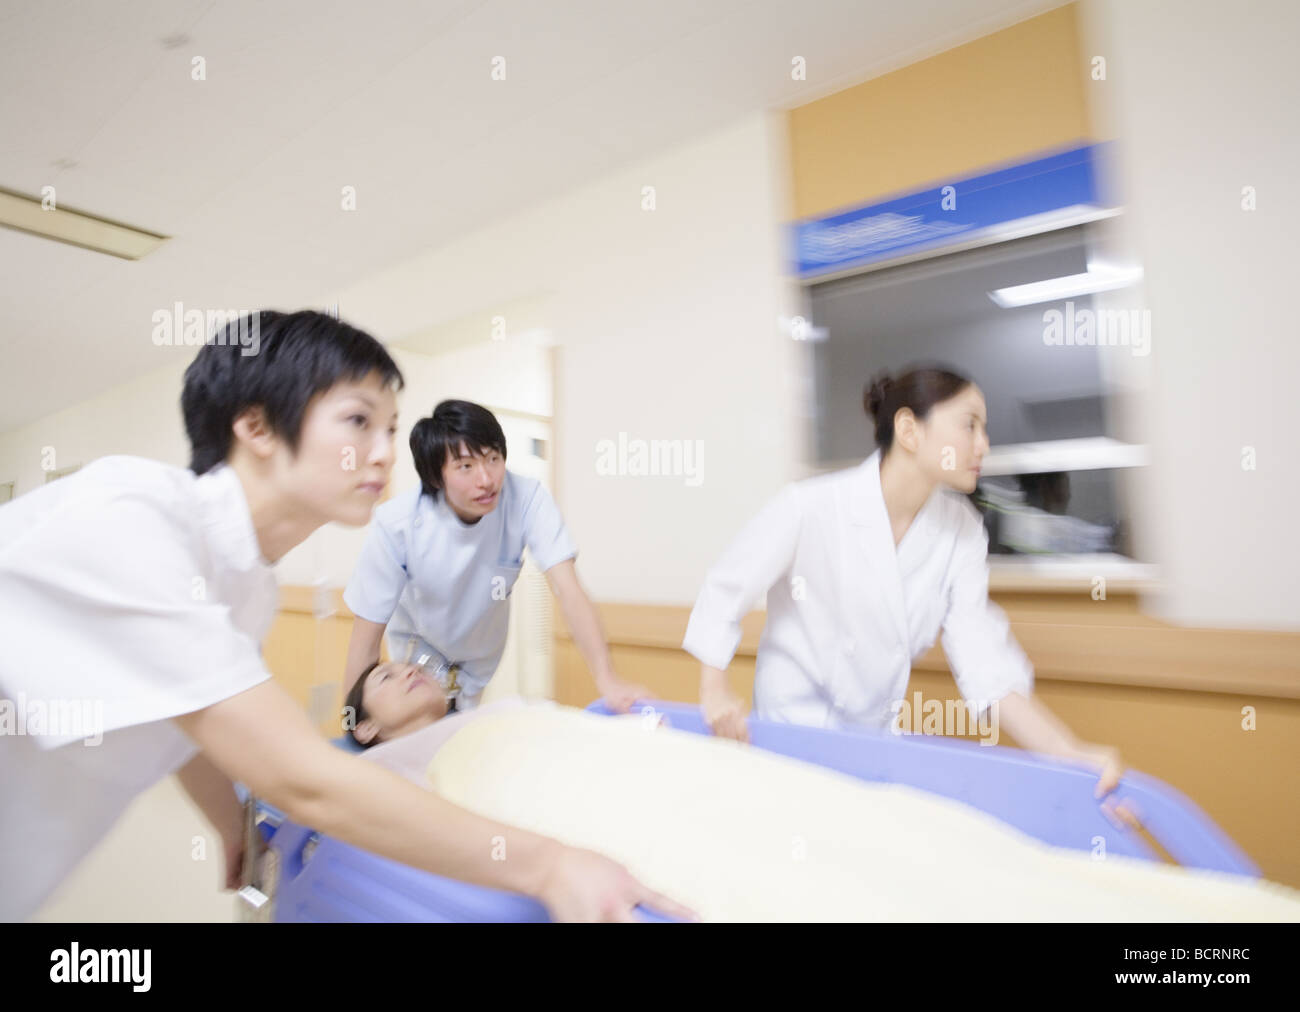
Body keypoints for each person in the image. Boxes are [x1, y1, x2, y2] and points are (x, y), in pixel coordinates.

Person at [0, 310, 691, 923]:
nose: (389, 451)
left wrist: (234, 827)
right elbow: (305, 776)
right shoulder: (135, 518)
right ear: (256, 426)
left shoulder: (245, 583)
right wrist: (551, 866)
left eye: (391, 427)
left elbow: (185, 717)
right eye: (359, 421)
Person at [683, 365, 1124, 797]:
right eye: (969, 426)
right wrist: (714, 689)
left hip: (873, 742)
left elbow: (985, 659)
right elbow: (727, 587)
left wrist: (1067, 751)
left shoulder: (962, 531)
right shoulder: (811, 506)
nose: (984, 445)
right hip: (790, 734)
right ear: (910, 431)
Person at [340, 399, 650, 712]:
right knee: (415, 738)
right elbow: (365, 639)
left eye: (492, 458)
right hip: (416, 661)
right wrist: (352, 727)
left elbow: (568, 589)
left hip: (478, 666)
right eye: (466, 466)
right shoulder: (397, 524)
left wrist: (607, 678)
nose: (486, 479)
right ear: (436, 476)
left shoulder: (526, 498)